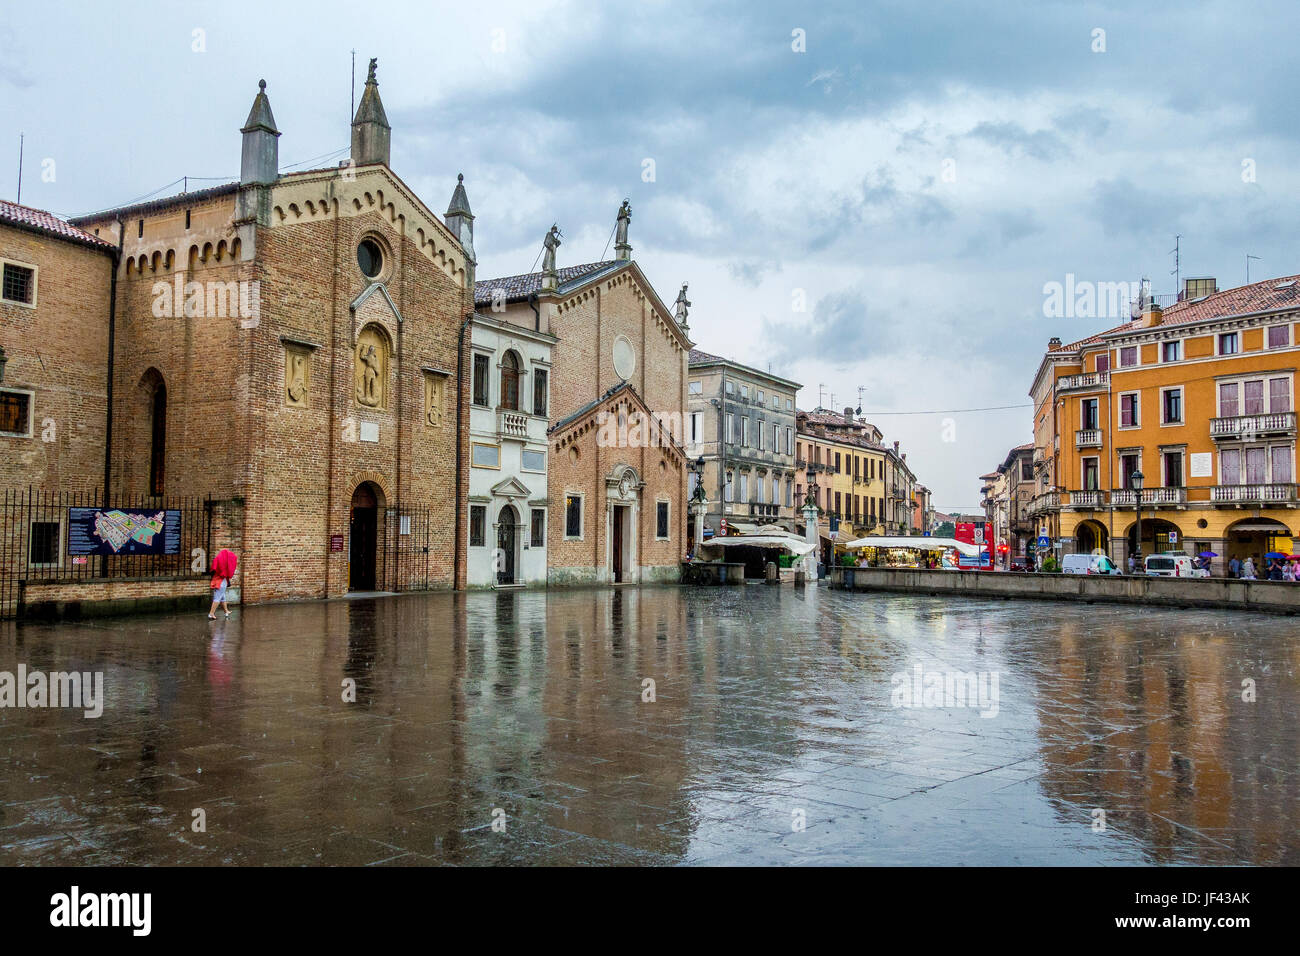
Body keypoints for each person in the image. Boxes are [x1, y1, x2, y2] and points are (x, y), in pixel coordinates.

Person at [208, 548, 238, 619]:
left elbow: (213, 570)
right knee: (217, 598)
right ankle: (211, 614)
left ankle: (226, 611)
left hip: (217, 580)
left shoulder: (217, 560)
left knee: (223, 597)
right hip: (221, 582)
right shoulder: (225, 563)